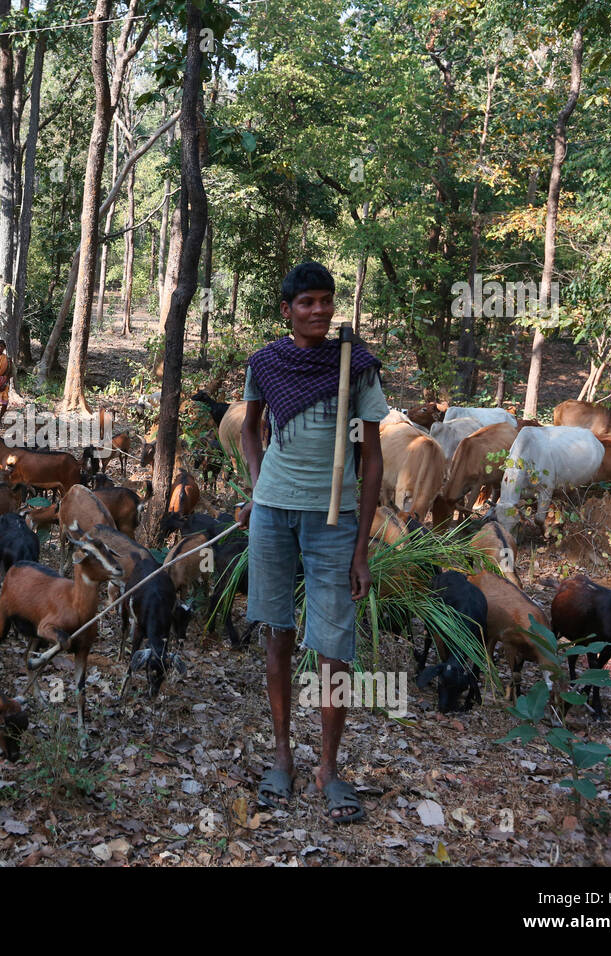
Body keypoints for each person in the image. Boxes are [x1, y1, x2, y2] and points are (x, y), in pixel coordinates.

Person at [235, 261, 386, 824]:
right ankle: (281, 758)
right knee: (277, 633)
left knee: (334, 649)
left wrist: (362, 546)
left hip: (334, 521)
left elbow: (373, 461)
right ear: (287, 309)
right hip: (272, 514)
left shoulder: (357, 365)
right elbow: (251, 429)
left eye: (326, 300)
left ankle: (328, 766)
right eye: (307, 302)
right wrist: (258, 486)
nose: (319, 310)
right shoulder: (266, 363)